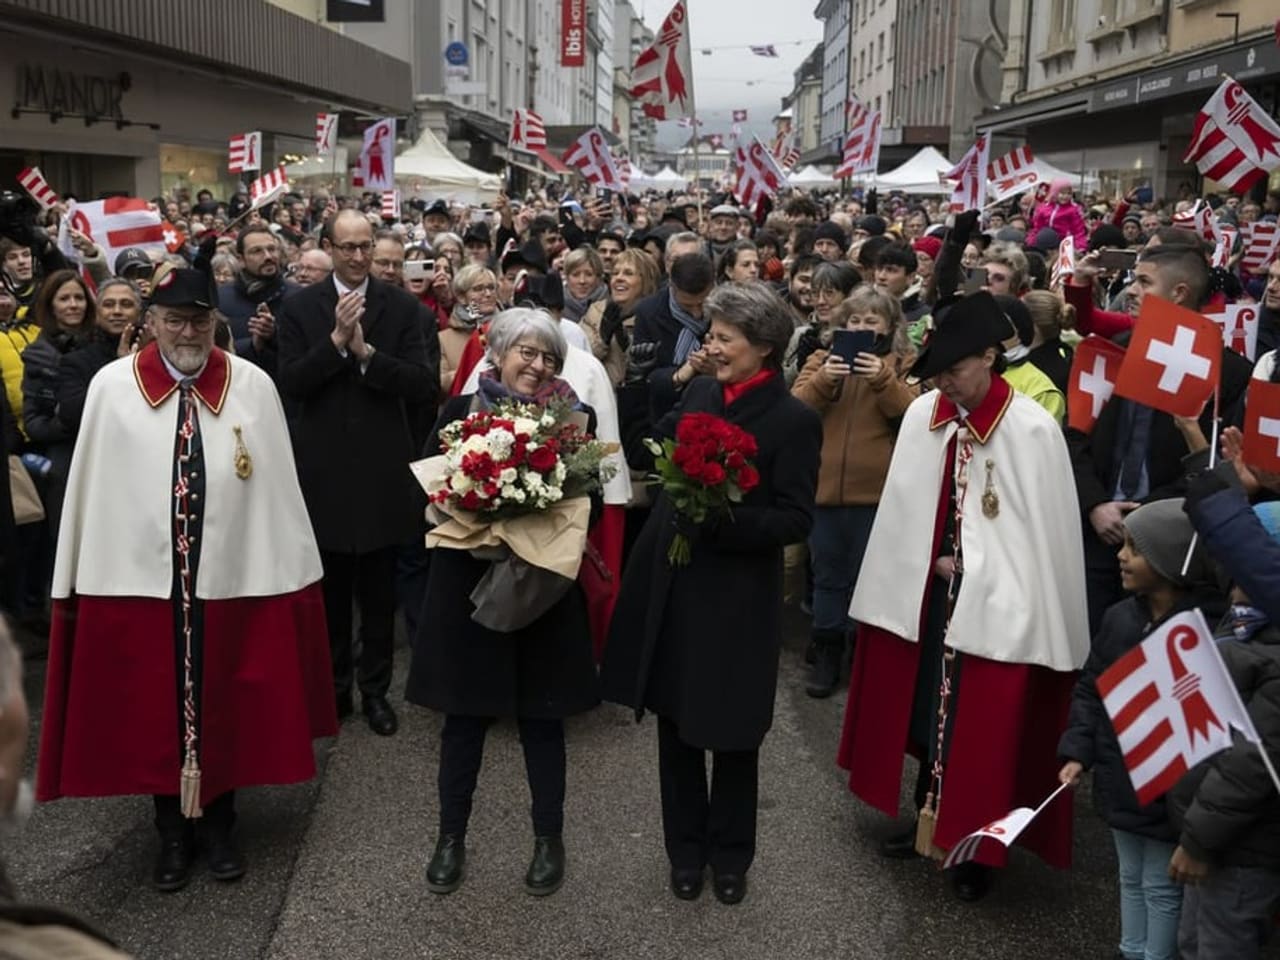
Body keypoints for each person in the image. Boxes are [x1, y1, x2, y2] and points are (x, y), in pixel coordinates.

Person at [37, 262, 338, 892]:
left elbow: (277, 490)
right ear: (151, 324)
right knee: (154, 709)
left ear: (214, 322)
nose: (187, 332)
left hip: (232, 579)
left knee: (226, 698)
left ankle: (221, 827)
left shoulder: (253, 386)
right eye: (174, 320)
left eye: (199, 320)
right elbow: (93, 490)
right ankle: (171, 834)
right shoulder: (112, 388)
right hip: (142, 585)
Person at [837, 292, 1090, 902]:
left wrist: (978, 567)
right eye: (939, 372)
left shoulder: (1030, 428)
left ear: (989, 357)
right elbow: (905, 514)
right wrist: (929, 562)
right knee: (930, 716)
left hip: (1003, 612)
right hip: (930, 600)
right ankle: (929, 814)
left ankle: (978, 845)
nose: (946, 383)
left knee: (984, 730)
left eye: (957, 369)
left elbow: (1041, 540)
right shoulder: (928, 414)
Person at [603, 281, 822, 906]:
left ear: (764, 347)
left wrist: (724, 521)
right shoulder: (701, 388)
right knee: (674, 723)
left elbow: (795, 518)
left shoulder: (793, 420)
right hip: (673, 581)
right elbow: (662, 442)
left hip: (735, 593)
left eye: (724, 339)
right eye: (712, 335)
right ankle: (685, 851)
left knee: (731, 729)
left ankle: (731, 854)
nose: (712, 347)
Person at [409, 309, 600, 898]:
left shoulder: (574, 419)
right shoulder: (458, 413)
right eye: (527, 352)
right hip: (466, 586)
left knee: (542, 721)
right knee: (464, 720)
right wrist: (473, 502)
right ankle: (449, 838)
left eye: (548, 358)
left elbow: (584, 491)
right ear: (496, 354)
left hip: (541, 586)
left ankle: (548, 839)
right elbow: (432, 487)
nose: (537, 366)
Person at [276, 209, 440, 737]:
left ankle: (375, 693)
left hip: (381, 469)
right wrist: (333, 345)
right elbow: (293, 383)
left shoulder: (403, 308)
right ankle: (334, 690)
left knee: (377, 594)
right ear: (329, 247)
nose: (358, 255)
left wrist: (367, 354)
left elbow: (421, 383)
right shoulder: (300, 308)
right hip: (323, 469)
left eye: (365, 245)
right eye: (346, 247)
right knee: (330, 594)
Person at [1058, 500, 1220, 960]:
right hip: (1118, 777)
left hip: (1170, 788)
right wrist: (1078, 749)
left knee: (1161, 883)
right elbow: (1092, 687)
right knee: (1130, 876)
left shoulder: (1198, 634)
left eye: (1136, 548)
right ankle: (1132, 951)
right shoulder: (1119, 619)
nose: (1120, 557)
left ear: (1171, 561)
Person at [1068, 245, 1252, 633]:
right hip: (1097, 537)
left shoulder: (1229, 374)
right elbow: (1076, 436)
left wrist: (1145, 512)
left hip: (1173, 547)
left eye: (1144, 281)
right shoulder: (1114, 349)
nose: (1131, 290)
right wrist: (1097, 504)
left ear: (1179, 292)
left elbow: (1218, 463)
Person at [791, 287, 919, 698]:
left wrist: (882, 378)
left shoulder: (903, 363)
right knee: (828, 575)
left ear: (889, 326)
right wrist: (827, 379)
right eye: (854, 321)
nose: (862, 328)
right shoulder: (819, 359)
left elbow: (913, 413)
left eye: (871, 321)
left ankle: (863, 654)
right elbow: (797, 409)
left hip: (877, 495)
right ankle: (827, 649)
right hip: (824, 490)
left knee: (869, 579)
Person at [55, 279, 143, 437]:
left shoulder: (156, 356)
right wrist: (122, 369)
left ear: (139, 313)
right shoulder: (75, 361)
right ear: (97, 312)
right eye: (108, 304)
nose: (117, 311)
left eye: (126, 304)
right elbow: (71, 417)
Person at [215, 225, 298, 375]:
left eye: (272, 249)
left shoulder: (299, 296)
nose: (268, 256)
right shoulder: (219, 299)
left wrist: (275, 335)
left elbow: (307, 351)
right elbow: (214, 350)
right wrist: (252, 345)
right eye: (257, 251)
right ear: (241, 259)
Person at [580, 247, 660, 387]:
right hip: (601, 394)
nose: (619, 278)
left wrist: (628, 346)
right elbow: (580, 358)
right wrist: (602, 339)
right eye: (615, 273)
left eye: (628, 273)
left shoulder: (656, 316)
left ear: (646, 281)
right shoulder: (596, 312)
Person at [440, 264, 497, 396]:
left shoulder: (510, 331)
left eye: (491, 288)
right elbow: (440, 383)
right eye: (478, 289)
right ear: (461, 297)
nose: (488, 294)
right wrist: (472, 369)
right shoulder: (443, 339)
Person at [561, 246, 608, 324]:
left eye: (589, 274)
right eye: (575, 275)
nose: (582, 281)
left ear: (599, 278)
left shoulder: (611, 306)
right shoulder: (555, 308)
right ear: (566, 277)